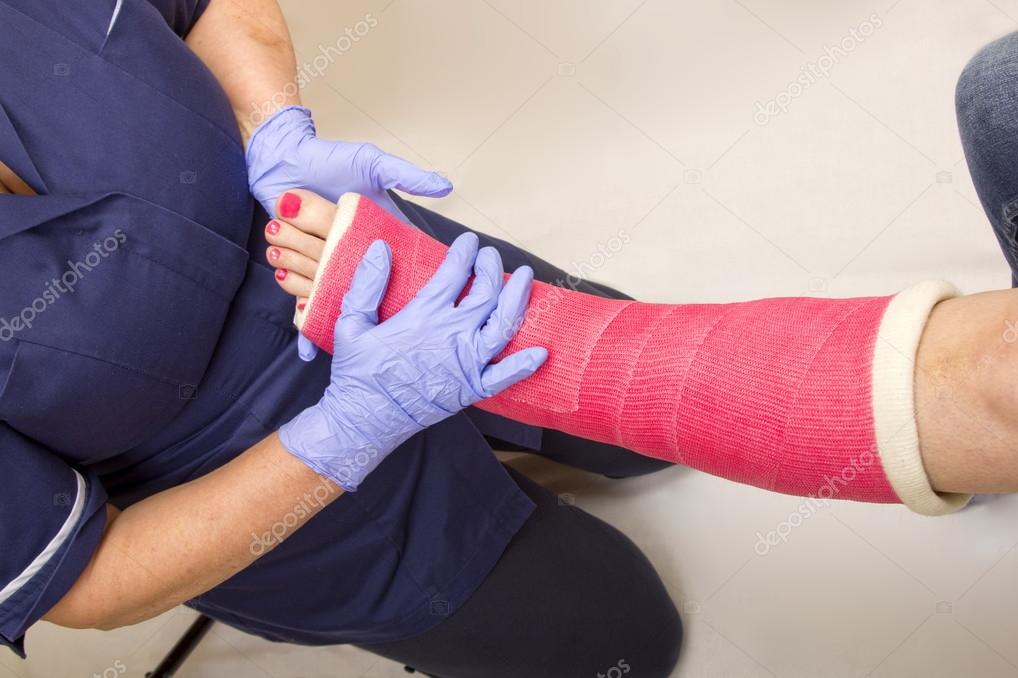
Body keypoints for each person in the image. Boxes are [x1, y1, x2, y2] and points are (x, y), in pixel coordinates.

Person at [0, 2, 682, 677]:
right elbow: (90, 583)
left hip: (358, 256)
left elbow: (209, 6)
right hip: (256, 471)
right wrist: (351, 428)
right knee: (626, 644)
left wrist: (272, 128)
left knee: (663, 415)